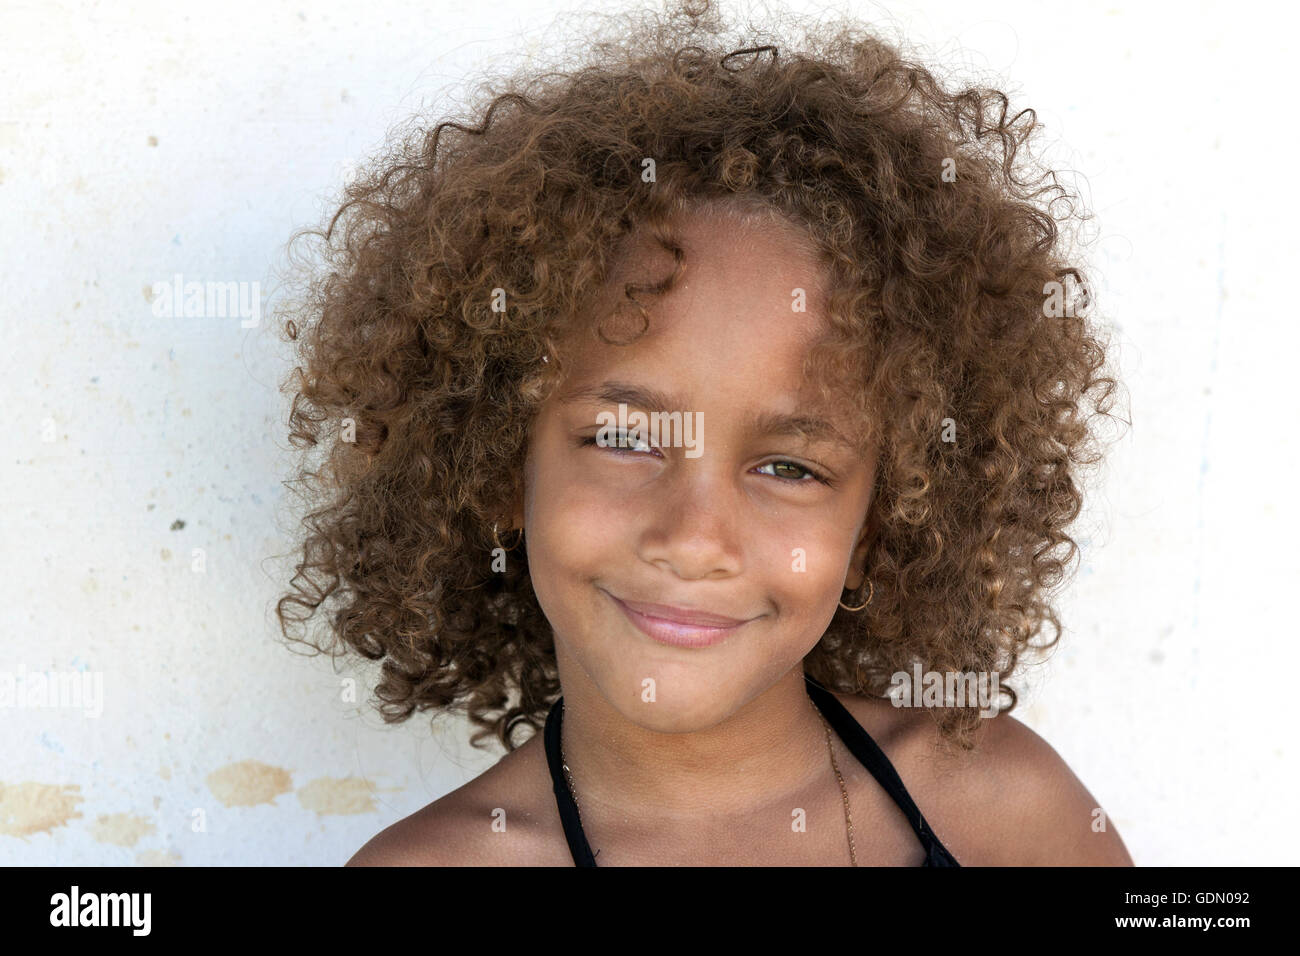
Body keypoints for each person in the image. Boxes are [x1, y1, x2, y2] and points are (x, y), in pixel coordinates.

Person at [276, 0, 1133, 866]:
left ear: (877, 525)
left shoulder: (999, 807)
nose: (693, 540)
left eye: (790, 466)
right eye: (621, 440)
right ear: (498, 465)